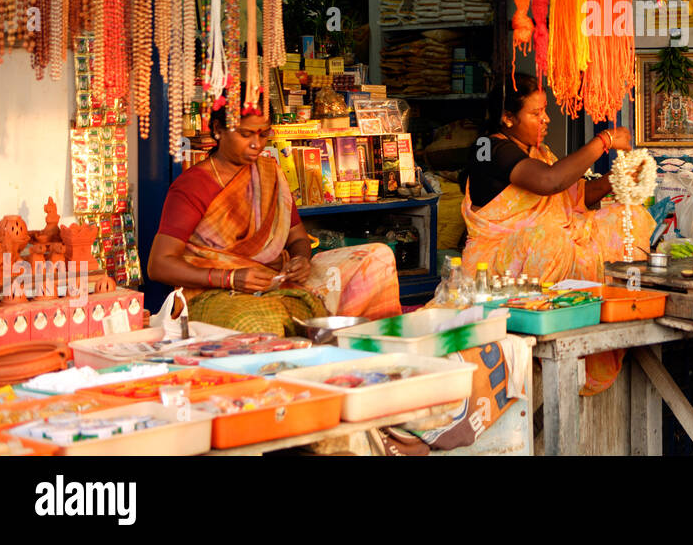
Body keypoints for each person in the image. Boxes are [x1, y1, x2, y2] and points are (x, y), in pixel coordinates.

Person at [461, 73, 653, 394]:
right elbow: (550, 182)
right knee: (548, 239)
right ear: (507, 118)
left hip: (552, 247)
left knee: (629, 217)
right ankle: (548, 322)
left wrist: (617, 177)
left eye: (546, 111)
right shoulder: (488, 146)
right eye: (536, 114)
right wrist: (602, 141)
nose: (546, 119)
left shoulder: (539, 152)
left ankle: (608, 312)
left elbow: (574, 197)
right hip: (496, 266)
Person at [147, 95, 400, 334]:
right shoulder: (193, 185)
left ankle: (369, 349)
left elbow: (298, 238)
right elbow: (159, 265)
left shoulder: (269, 173)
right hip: (212, 292)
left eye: (263, 133)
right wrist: (230, 277)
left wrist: (301, 260)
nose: (257, 144)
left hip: (275, 280)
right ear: (218, 129)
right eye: (246, 134)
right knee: (264, 320)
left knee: (376, 257)